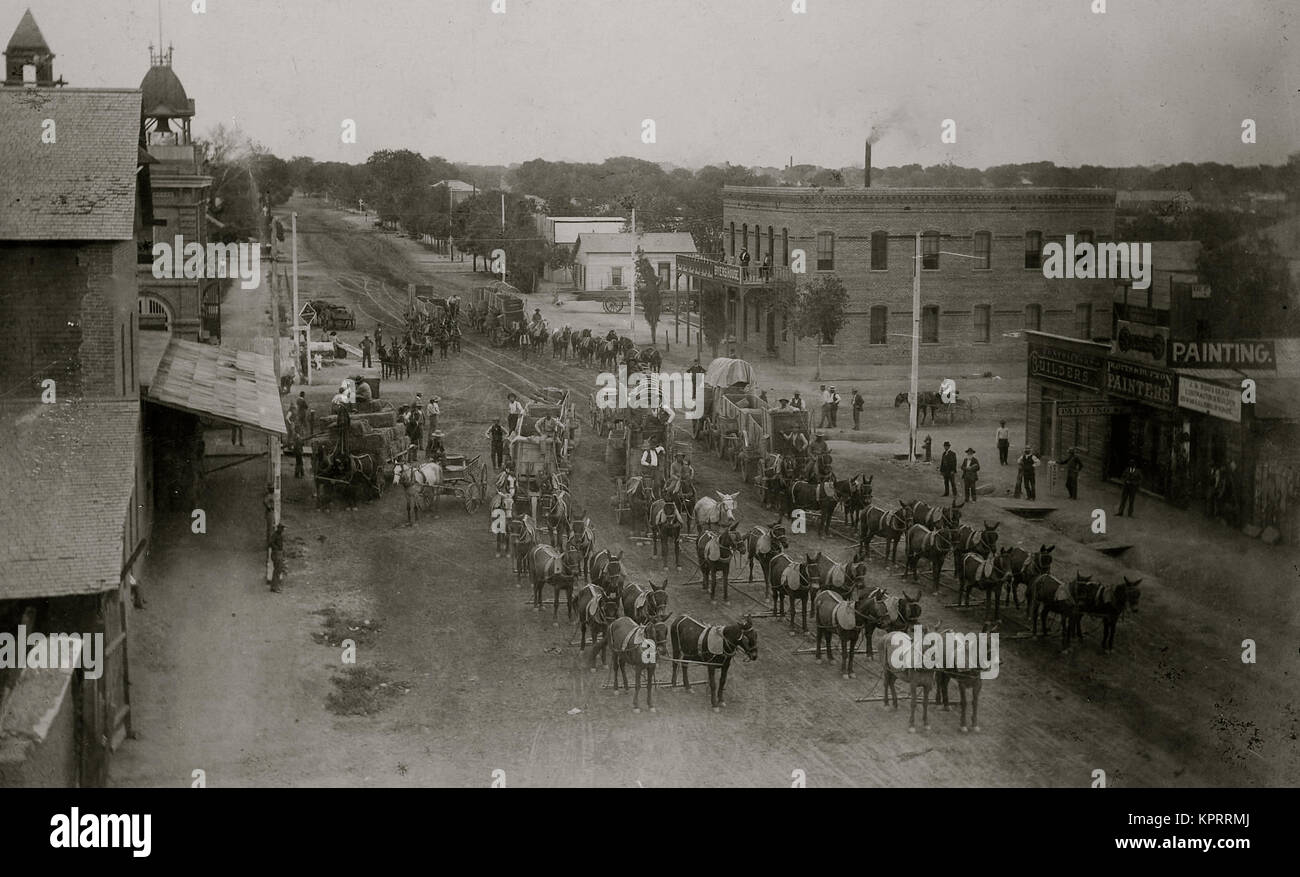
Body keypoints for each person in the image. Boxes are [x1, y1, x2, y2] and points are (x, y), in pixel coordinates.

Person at [269, 523, 285, 593]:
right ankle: (275, 587)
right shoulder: (275, 535)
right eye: (281, 528)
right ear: (278, 528)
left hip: (279, 553)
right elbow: (270, 543)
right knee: (277, 570)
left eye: (282, 528)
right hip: (276, 554)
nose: (282, 530)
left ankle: (274, 586)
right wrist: (277, 549)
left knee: (278, 570)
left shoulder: (279, 535)